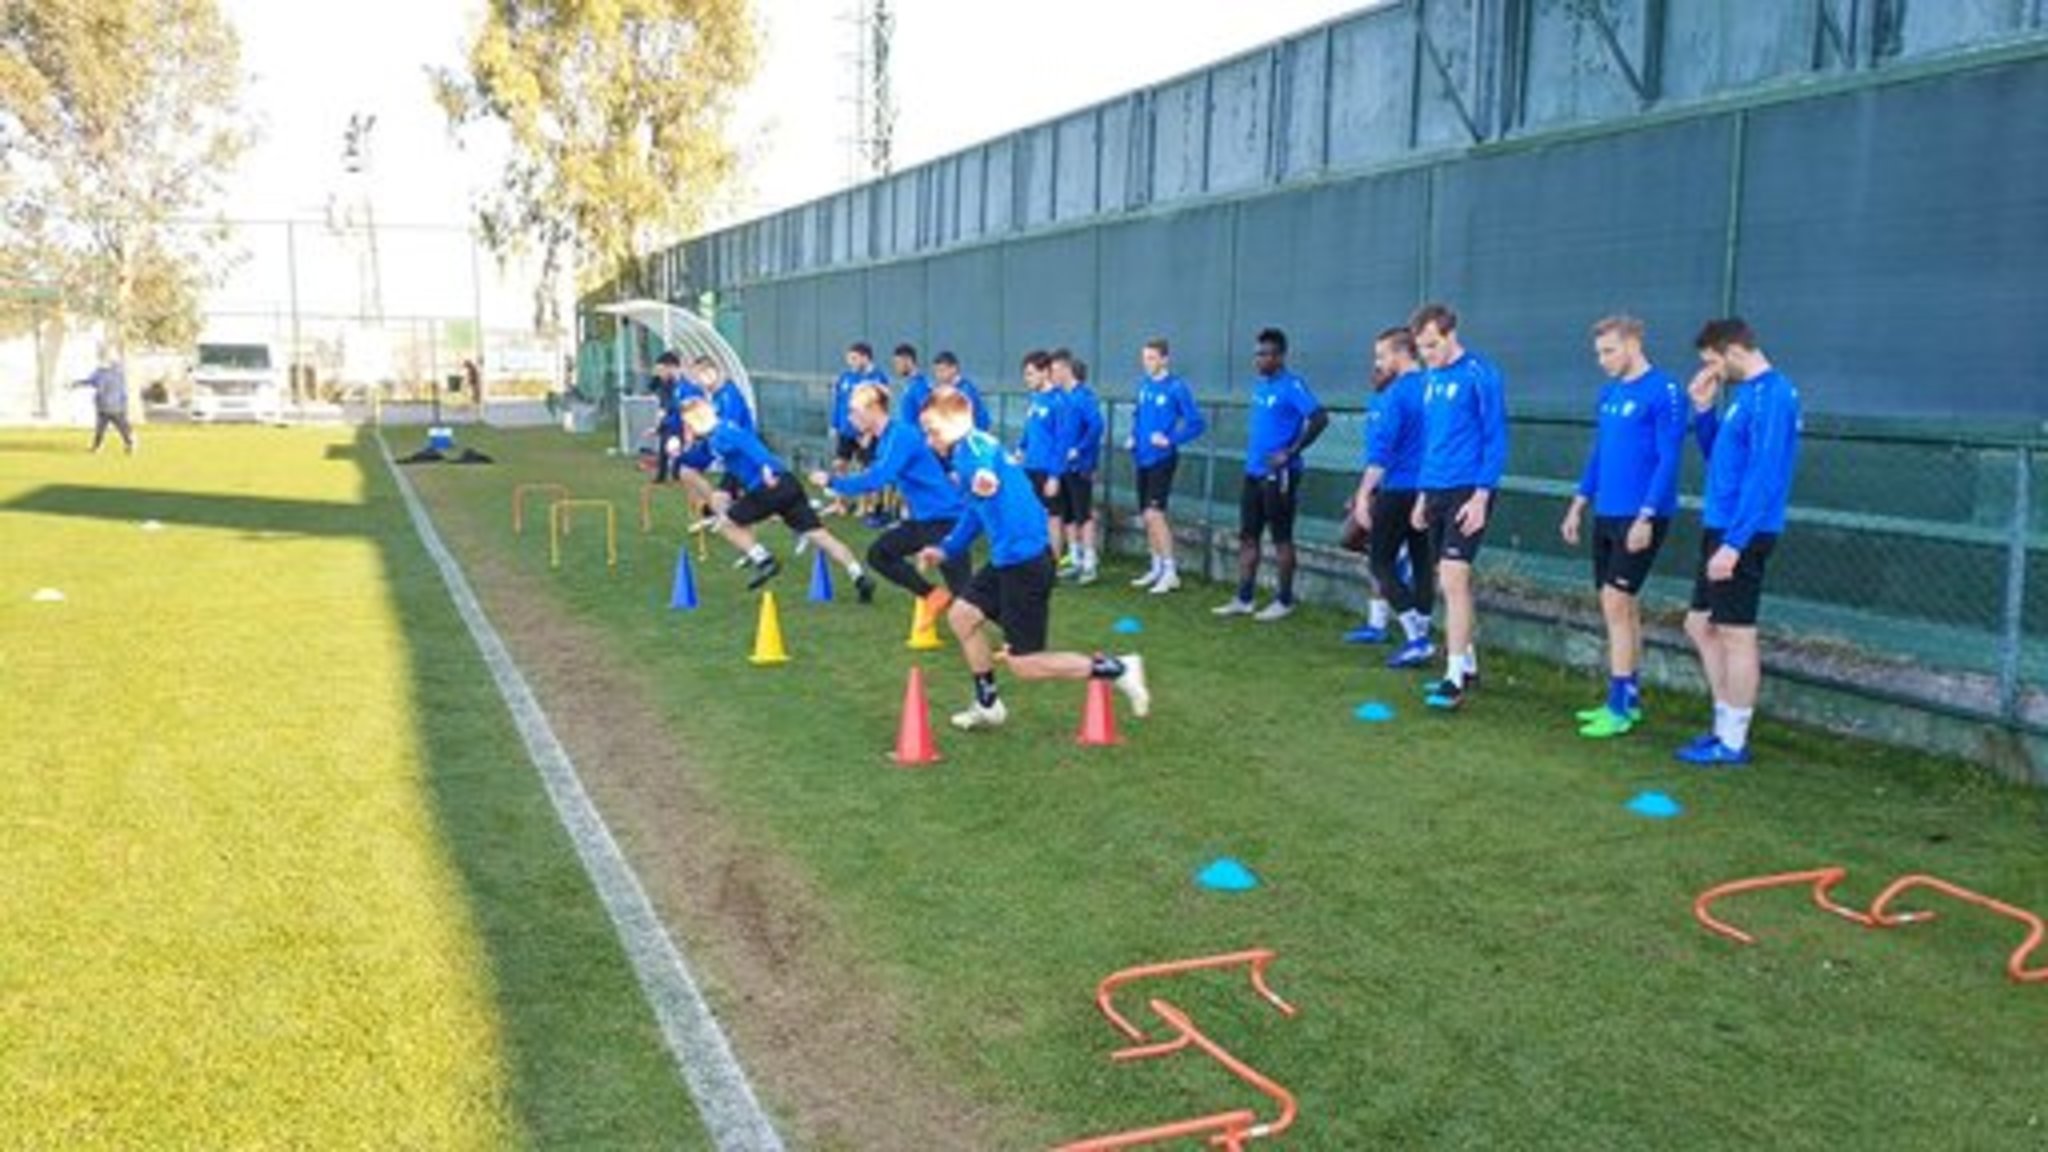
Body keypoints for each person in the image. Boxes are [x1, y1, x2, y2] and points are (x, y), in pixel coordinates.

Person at [914, 390, 1149, 731]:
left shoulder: (975, 451)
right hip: (1008, 559)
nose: (928, 437)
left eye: (932, 428)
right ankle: (988, 704)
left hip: (1026, 564)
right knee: (962, 617)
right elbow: (975, 511)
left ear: (959, 421)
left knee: (1025, 664)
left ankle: (1120, 669)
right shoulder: (965, 450)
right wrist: (947, 548)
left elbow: (985, 478)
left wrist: (985, 481)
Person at [1675, 318, 1801, 767]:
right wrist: (1704, 411)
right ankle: (1723, 724)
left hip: (1742, 532)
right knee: (1700, 625)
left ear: (1731, 350)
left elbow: (1765, 475)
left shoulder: (1774, 395)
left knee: (1736, 633)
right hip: (1722, 526)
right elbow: (1722, 462)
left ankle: (1732, 739)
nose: (1711, 370)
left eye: (1711, 362)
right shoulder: (1745, 396)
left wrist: (1735, 543)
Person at [1558, 316, 1688, 739]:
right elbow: (1599, 454)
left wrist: (1646, 516)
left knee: (1616, 602)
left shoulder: (1665, 390)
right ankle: (1627, 699)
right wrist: (1578, 505)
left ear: (1633, 343)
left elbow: (1669, 459)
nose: (1602, 360)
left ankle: (1617, 704)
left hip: (1642, 516)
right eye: (1598, 352)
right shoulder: (1609, 394)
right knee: (1621, 606)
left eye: (1609, 350)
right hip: (1607, 513)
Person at [1409, 302, 1509, 711]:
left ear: (1451, 335)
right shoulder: (1431, 379)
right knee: (1449, 581)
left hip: (1469, 490)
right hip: (1435, 489)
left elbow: (1495, 437)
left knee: (1452, 579)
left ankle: (1452, 678)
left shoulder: (1480, 374)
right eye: (1421, 348)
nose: (1427, 354)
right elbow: (1432, 439)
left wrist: (1482, 495)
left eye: (1432, 345)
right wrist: (1421, 495)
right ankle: (1467, 663)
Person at [678, 396, 876, 601]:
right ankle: (859, 576)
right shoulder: (717, 435)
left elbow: (752, 447)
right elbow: (699, 460)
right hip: (788, 484)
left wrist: (767, 469)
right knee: (820, 536)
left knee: (726, 524)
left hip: (767, 486)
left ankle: (764, 560)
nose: (690, 426)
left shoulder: (723, 433)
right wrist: (680, 452)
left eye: (690, 422)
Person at [809, 382, 969, 614]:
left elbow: (877, 478)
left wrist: (833, 482)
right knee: (880, 555)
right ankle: (934, 596)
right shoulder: (885, 439)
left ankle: (1016, 642)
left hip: (945, 519)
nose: (850, 417)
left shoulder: (900, 435)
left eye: (854, 410)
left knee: (968, 595)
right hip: (923, 520)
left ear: (873, 408)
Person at [1212, 327, 1328, 622]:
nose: (1258, 359)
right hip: (1253, 472)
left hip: (1280, 475)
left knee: (1281, 538)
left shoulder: (1292, 386)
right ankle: (1244, 598)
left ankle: (1285, 600)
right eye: (1257, 354)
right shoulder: (1260, 386)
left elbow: (1319, 418)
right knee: (1248, 537)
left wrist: (1290, 452)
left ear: (1279, 356)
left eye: (1264, 354)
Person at [1343, 327, 1436, 668]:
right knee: (1421, 561)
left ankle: (1417, 638)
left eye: (1382, 355)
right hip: (1430, 489)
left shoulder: (1398, 394)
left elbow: (1382, 453)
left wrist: (1364, 493)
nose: (1378, 362)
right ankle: (1415, 629)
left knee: (1380, 562)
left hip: (1398, 488)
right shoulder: (1433, 386)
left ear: (1400, 353)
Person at [1126, 337, 1207, 594]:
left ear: (1164, 359)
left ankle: (1171, 571)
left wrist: (1170, 439)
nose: (1146, 363)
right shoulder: (1144, 385)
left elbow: (1196, 423)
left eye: (1151, 358)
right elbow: (1138, 416)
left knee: (1155, 514)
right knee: (1146, 517)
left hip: (1163, 459)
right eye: (1144, 358)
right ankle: (1156, 566)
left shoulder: (1176, 387)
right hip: (1142, 457)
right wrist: (1133, 436)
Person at [1056, 354, 1106, 584]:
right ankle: (1075, 559)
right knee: (1067, 515)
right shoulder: (1063, 397)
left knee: (1082, 514)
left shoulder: (1084, 397)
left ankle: (1090, 564)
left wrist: (1080, 449)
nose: (1053, 374)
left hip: (1080, 467)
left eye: (1056, 369)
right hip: (1063, 466)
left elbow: (1096, 426)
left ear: (1067, 370)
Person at [1017, 349, 1068, 552]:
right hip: (1031, 465)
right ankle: (1036, 555)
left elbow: (1061, 442)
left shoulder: (1059, 401)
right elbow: (1029, 429)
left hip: (1048, 468)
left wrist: (1055, 476)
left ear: (1045, 372)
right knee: (1033, 512)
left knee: (1053, 515)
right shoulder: (1035, 398)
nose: (1026, 379)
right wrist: (1021, 449)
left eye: (1030, 373)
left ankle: (1053, 562)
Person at [828, 342, 887, 516]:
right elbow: (838, 402)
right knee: (839, 464)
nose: (850, 362)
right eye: (849, 358)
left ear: (865, 358)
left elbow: (881, 407)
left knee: (865, 467)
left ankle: (865, 504)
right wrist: (835, 424)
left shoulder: (878, 378)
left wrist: (871, 431)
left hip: (865, 431)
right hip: (846, 430)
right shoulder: (846, 377)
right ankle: (841, 502)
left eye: (854, 358)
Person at [74, 352, 135, 455]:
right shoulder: (118, 373)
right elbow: (123, 391)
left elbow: (89, 381)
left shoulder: (101, 373)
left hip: (108, 406)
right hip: (114, 406)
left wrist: (76, 384)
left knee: (104, 428)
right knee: (118, 428)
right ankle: (128, 444)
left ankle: (98, 447)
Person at [926, 351, 992, 431]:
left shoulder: (966, 391)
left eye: (942, 370)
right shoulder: (938, 390)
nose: (939, 375)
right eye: (936, 371)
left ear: (954, 369)